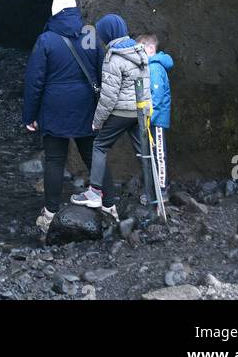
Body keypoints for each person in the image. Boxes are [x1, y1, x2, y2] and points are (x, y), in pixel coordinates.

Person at [22, 0, 118, 234]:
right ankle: (110, 205)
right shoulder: (90, 34)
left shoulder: (46, 39)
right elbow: (103, 72)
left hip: (54, 108)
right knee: (92, 154)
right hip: (86, 106)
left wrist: (29, 115)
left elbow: (34, 81)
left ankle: (51, 211)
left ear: (54, 12)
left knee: (55, 160)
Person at [72, 13, 150, 211]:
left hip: (122, 111)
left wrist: (97, 121)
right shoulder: (139, 51)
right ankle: (154, 192)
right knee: (144, 152)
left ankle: (95, 193)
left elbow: (108, 96)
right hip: (141, 111)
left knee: (99, 145)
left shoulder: (113, 57)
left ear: (108, 34)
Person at [139, 33, 173, 196]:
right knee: (155, 152)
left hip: (157, 119)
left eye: (140, 49)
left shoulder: (155, 68)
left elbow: (157, 97)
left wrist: (149, 118)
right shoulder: (151, 66)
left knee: (159, 153)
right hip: (154, 118)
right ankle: (155, 187)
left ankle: (162, 188)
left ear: (150, 48)